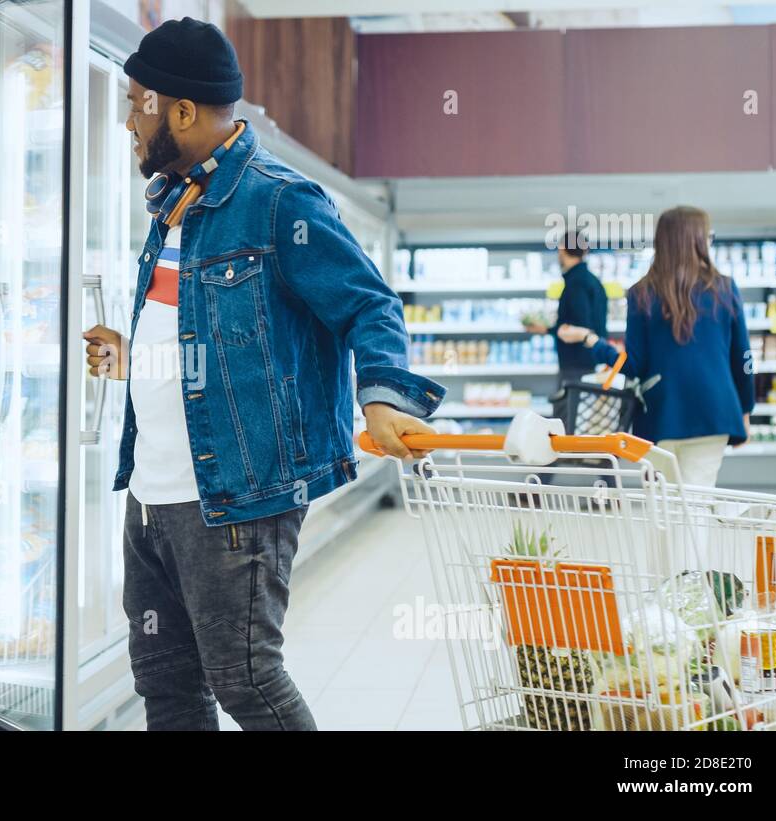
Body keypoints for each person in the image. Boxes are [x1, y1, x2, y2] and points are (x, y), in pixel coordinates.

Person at [81, 17, 444, 731]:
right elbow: (206, 332)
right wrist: (136, 354)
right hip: (150, 494)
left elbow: (369, 304)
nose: (127, 120)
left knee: (246, 678)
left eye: (136, 102)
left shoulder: (280, 201)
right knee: (164, 680)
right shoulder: (171, 205)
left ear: (181, 111)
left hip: (236, 497)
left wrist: (383, 395)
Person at [557, 206, 754, 487]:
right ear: (698, 240)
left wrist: (592, 341)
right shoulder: (724, 289)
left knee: (666, 507)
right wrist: (745, 410)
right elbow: (743, 358)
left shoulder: (642, 293)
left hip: (662, 414)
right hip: (715, 413)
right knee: (696, 505)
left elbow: (633, 366)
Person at [523, 231, 608, 422]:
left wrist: (548, 329)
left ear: (562, 248)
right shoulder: (593, 282)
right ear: (584, 250)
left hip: (575, 367)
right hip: (591, 363)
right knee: (585, 422)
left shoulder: (576, 284)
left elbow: (580, 327)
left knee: (566, 423)